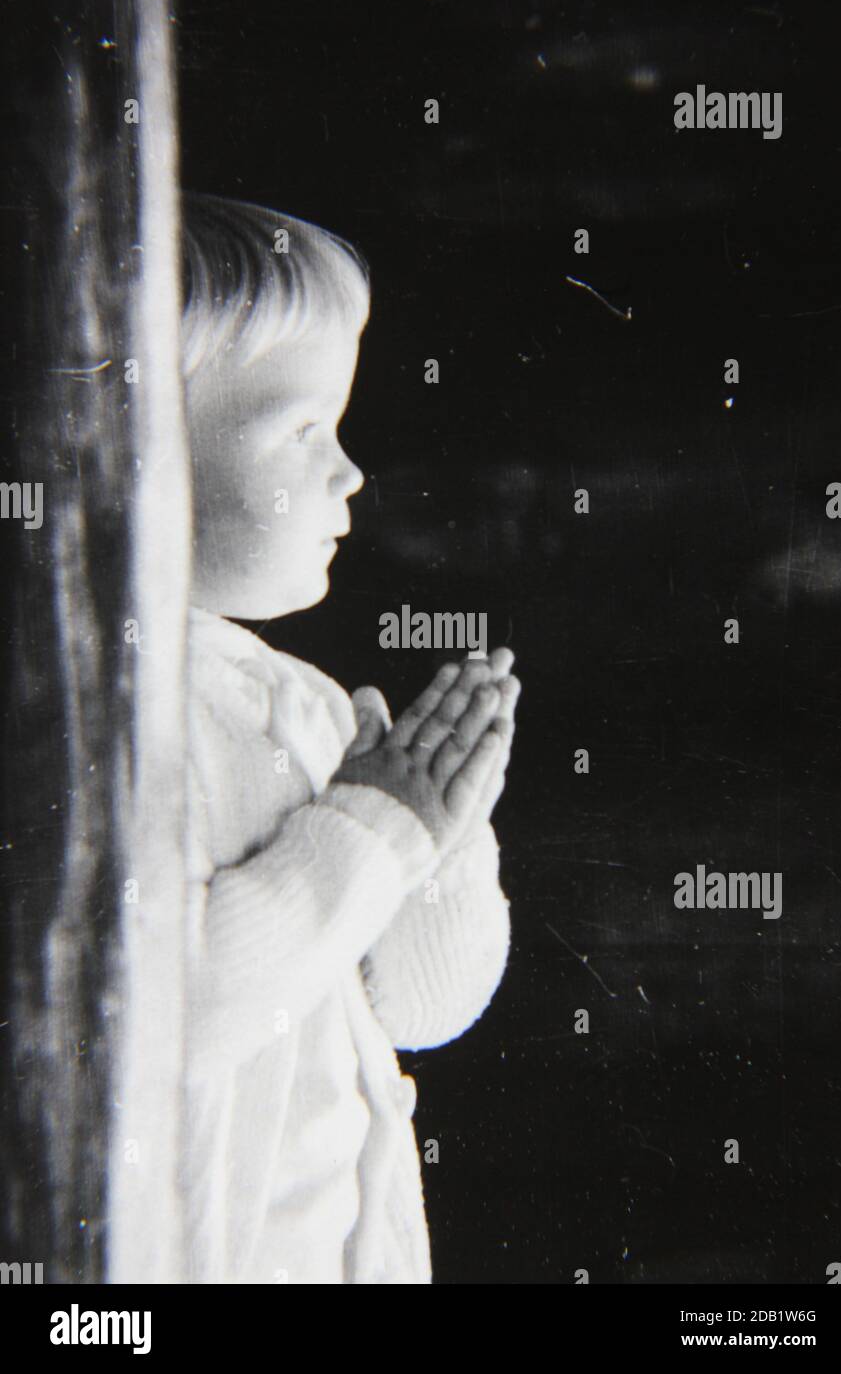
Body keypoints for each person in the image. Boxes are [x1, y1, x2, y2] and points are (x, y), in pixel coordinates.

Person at [180, 194, 520, 1283]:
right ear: (130, 454)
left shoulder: (314, 707)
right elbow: (161, 1014)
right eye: (302, 428)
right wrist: (371, 831)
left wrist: (439, 837)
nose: (349, 472)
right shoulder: (100, 716)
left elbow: (422, 1009)